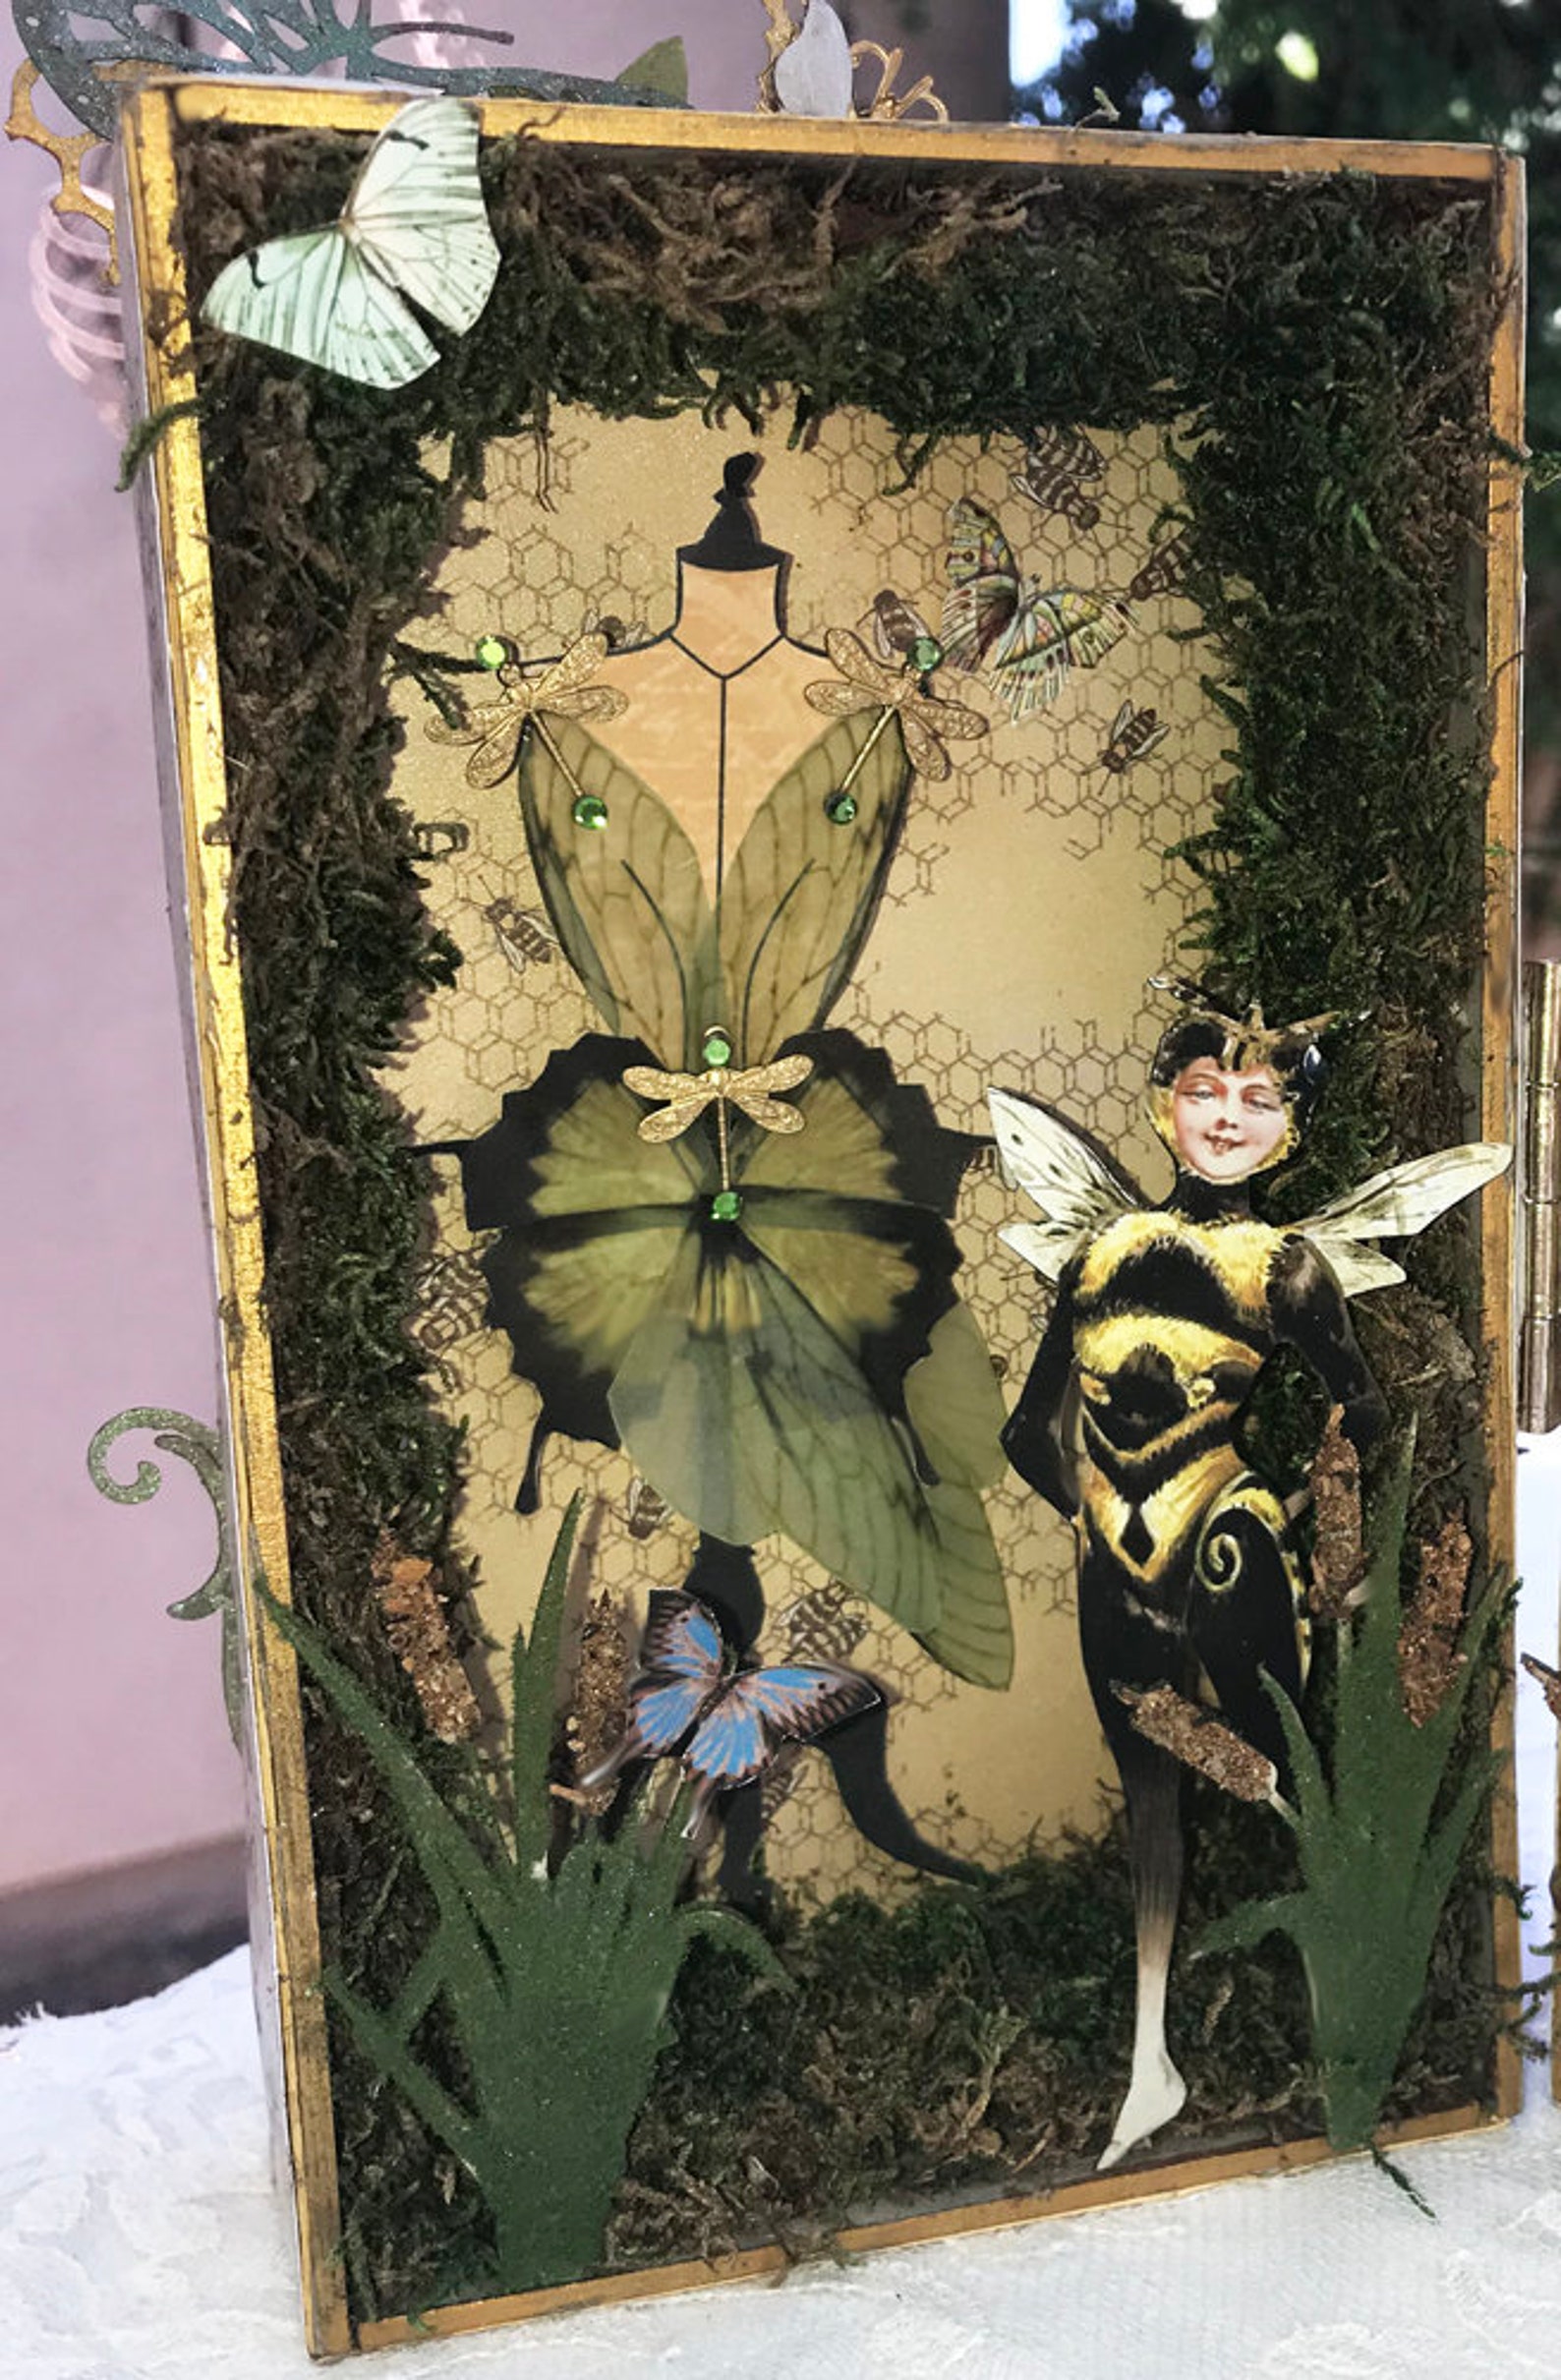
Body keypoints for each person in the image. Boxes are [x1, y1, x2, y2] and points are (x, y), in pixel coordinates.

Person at [1001, 993, 1385, 2169]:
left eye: (1257, 1100)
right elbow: (1024, 1431)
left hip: (1223, 1542)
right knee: (1154, 1797)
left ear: (1290, 1133)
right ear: (1164, 1108)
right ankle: (1150, 2063)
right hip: (1129, 1555)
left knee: (1287, 1775)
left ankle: (1339, 2025)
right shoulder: (1098, 1254)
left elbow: (1359, 1409)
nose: (1226, 1117)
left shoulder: (1284, 1266)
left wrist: (1321, 1533)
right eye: (1204, 1092)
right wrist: (1100, 1513)